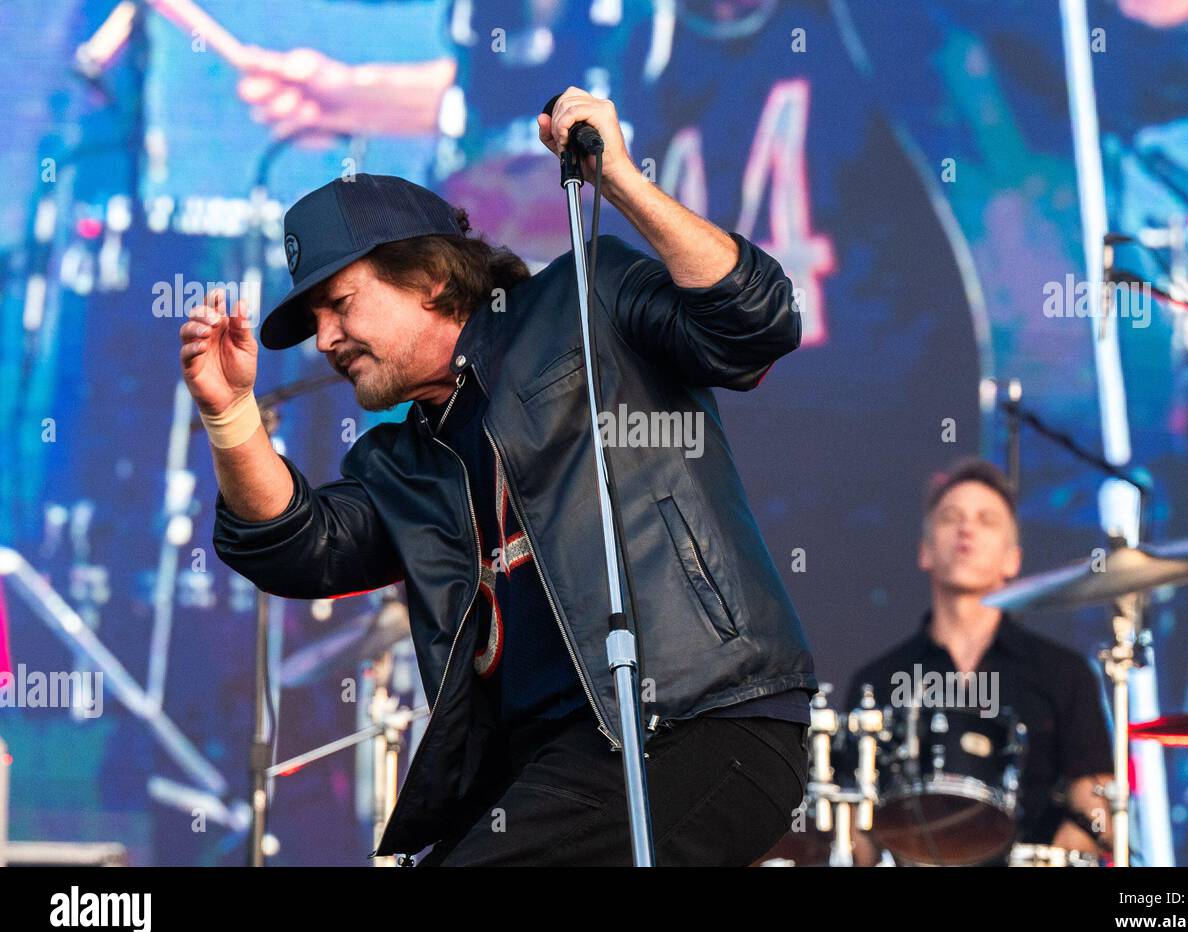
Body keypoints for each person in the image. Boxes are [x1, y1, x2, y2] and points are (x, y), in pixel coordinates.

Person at [179, 88, 816, 865]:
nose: (325, 338)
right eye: (313, 320)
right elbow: (294, 546)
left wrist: (617, 178)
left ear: (431, 280)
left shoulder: (584, 300)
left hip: (701, 714)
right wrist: (230, 413)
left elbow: (755, 321)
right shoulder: (402, 462)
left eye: (340, 304)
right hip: (558, 767)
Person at [842, 459, 1114, 864]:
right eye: (951, 517)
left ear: (1012, 559)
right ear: (925, 551)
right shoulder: (876, 683)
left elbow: (1097, 807)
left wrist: (1067, 845)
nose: (966, 530)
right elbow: (851, 827)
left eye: (986, 520)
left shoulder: (1063, 673)